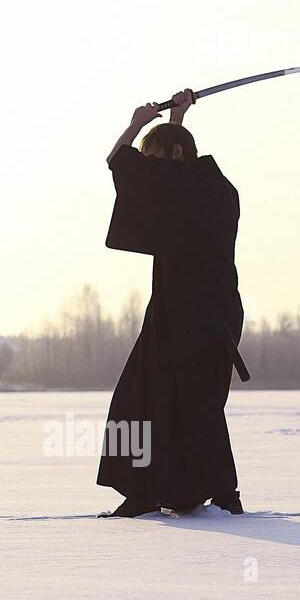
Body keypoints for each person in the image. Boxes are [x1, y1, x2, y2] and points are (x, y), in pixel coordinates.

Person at [96, 89, 249, 519]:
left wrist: (137, 122)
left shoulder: (192, 188)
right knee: (146, 400)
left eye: (155, 155)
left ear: (175, 156)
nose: (148, 166)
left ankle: (217, 494)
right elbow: (169, 184)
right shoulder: (214, 188)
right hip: (192, 311)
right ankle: (158, 491)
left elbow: (120, 164)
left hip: (196, 315)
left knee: (192, 405)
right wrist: (174, 123)